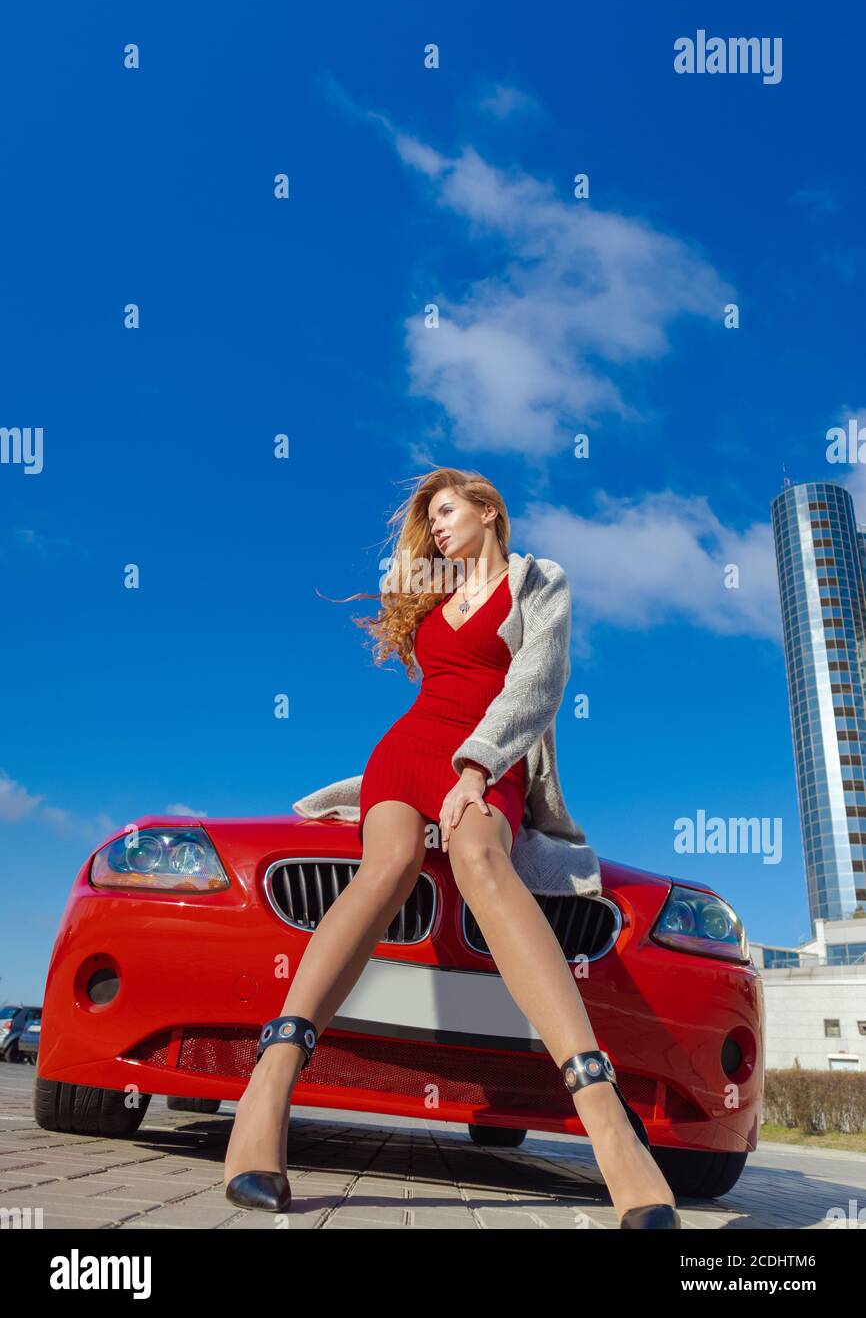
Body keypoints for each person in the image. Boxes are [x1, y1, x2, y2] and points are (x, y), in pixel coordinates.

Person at [223, 466, 680, 1228]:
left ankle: (603, 1113)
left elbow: (539, 679)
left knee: (478, 858)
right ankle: (270, 1081)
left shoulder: (540, 582)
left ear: (489, 510)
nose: (435, 527)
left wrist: (476, 766)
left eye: (446, 510)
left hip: (487, 757)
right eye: (428, 518)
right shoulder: (434, 597)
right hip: (407, 751)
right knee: (390, 865)